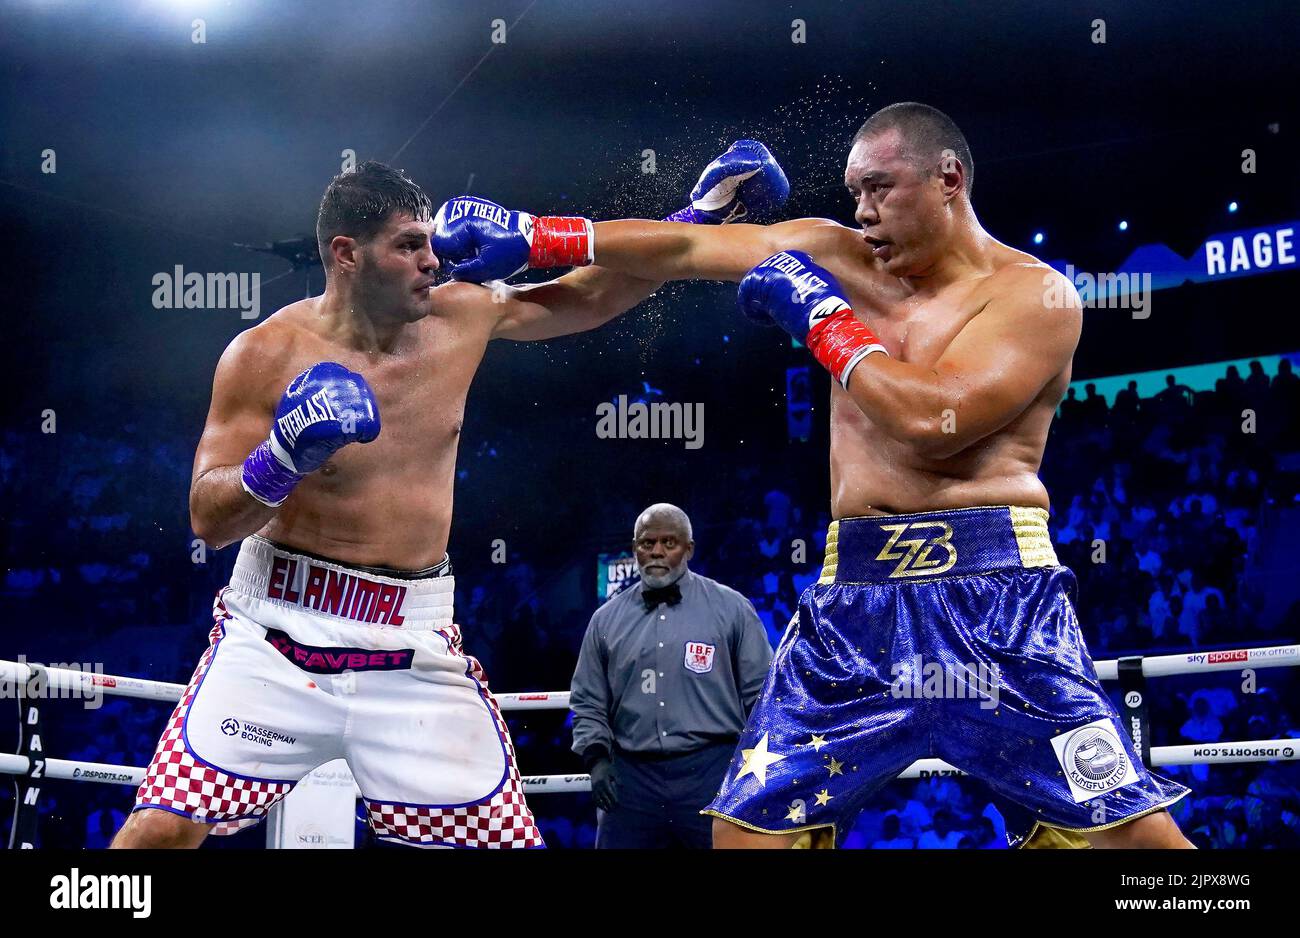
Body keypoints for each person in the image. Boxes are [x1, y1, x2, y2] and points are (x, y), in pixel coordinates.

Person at [434, 101, 1193, 848]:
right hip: (853, 602)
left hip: (994, 601)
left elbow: (934, 424)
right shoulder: (836, 255)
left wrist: (821, 320)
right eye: (854, 191)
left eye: (880, 188)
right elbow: (682, 253)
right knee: (748, 839)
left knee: (1132, 846)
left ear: (949, 177)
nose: (861, 211)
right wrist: (540, 234)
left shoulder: (1034, 295)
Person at [111, 143, 788, 848]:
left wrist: (703, 214)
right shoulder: (265, 353)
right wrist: (282, 457)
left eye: (430, 243)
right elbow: (208, 518)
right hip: (275, 631)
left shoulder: (459, 314)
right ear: (347, 254)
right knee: (158, 832)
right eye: (409, 247)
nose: (433, 262)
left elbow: (594, 293)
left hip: (413, 642)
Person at [570, 503, 773, 848]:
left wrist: (754, 765)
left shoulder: (732, 609)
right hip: (632, 777)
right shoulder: (605, 621)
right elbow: (588, 699)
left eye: (669, 542)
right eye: (647, 544)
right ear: (635, 548)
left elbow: (763, 695)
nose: (657, 552)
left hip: (711, 770)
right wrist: (596, 758)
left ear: (689, 548)